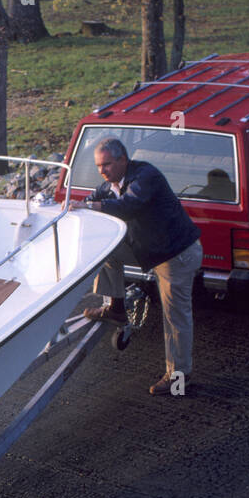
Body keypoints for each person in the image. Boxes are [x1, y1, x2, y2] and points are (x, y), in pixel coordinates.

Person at [82, 137, 203, 396]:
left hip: (176, 256)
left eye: (107, 165)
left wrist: (88, 206)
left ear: (123, 160)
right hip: (151, 252)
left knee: (175, 318)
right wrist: (74, 205)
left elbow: (128, 206)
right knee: (106, 251)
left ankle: (179, 377)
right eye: (98, 166)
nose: (102, 171)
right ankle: (115, 308)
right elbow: (94, 197)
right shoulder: (111, 184)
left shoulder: (146, 176)